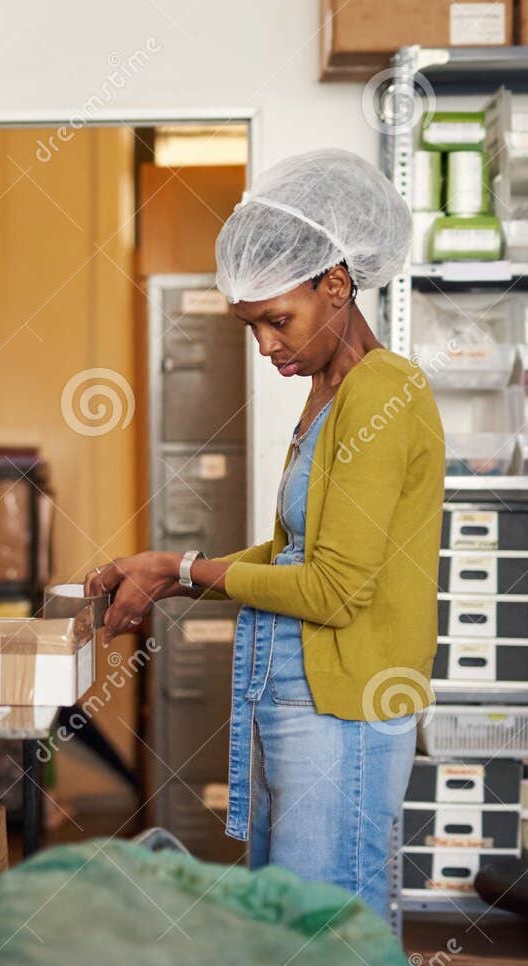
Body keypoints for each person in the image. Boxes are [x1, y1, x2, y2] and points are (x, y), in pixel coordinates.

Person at [85, 149, 443, 920]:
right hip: (303, 701)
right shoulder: (329, 393)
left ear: (337, 286)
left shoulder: (384, 389)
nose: (266, 346)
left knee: (326, 942)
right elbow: (293, 553)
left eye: (278, 320)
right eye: (252, 327)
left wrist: (185, 564)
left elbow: (334, 588)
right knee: (290, 934)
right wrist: (168, 571)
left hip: (345, 708)